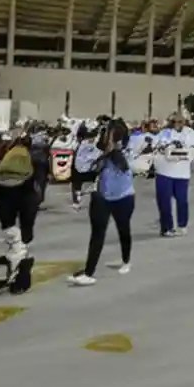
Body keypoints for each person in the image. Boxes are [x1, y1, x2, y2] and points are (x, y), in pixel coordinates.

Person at [69, 122, 135, 287]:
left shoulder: (124, 152)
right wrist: (86, 148)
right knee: (97, 234)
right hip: (101, 197)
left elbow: (125, 165)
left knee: (123, 229)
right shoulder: (97, 151)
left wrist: (110, 152)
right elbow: (81, 167)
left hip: (123, 197)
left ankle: (126, 261)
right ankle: (88, 272)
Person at [0, 134, 41, 265]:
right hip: (24, 189)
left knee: (8, 223)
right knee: (27, 221)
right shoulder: (33, 155)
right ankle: (23, 246)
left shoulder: (3, 152)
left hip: (2, 187)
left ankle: (16, 244)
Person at [154, 114, 194, 237]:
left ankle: (182, 225)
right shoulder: (164, 133)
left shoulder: (190, 133)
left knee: (182, 200)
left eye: (180, 121)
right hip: (164, 172)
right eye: (175, 121)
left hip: (182, 174)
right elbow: (156, 146)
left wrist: (183, 154)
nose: (178, 124)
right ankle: (167, 227)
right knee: (164, 201)